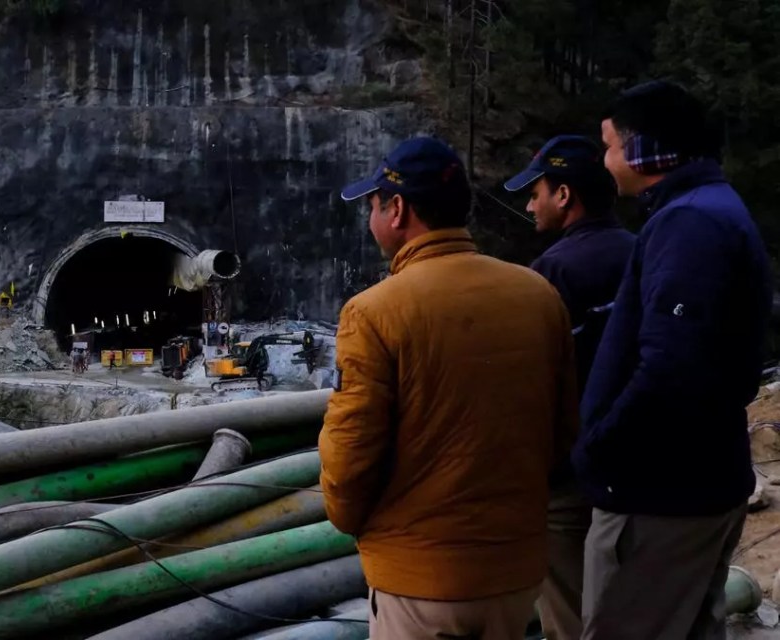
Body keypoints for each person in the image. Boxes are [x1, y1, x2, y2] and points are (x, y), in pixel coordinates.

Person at [319, 137, 579, 640]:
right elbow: (563, 432)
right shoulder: (537, 294)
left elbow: (350, 454)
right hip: (515, 572)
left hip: (421, 579)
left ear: (397, 210)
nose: (371, 218)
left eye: (373, 206)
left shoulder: (373, 312)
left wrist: (351, 520)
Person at [575, 80, 773, 640]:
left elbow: (670, 367)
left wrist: (599, 446)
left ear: (643, 150)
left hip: (660, 496)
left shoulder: (691, 224)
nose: (606, 161)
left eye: (610, 145)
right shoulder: (703, 211)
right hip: (691, 481)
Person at [503, 135, 636, 640]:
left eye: (536, 191)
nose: (529, 203)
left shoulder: (555, 270)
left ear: (564, 195)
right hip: (633, 462)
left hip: (568, 473)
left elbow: (531, 378)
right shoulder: (640, 252)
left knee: (569, 610)